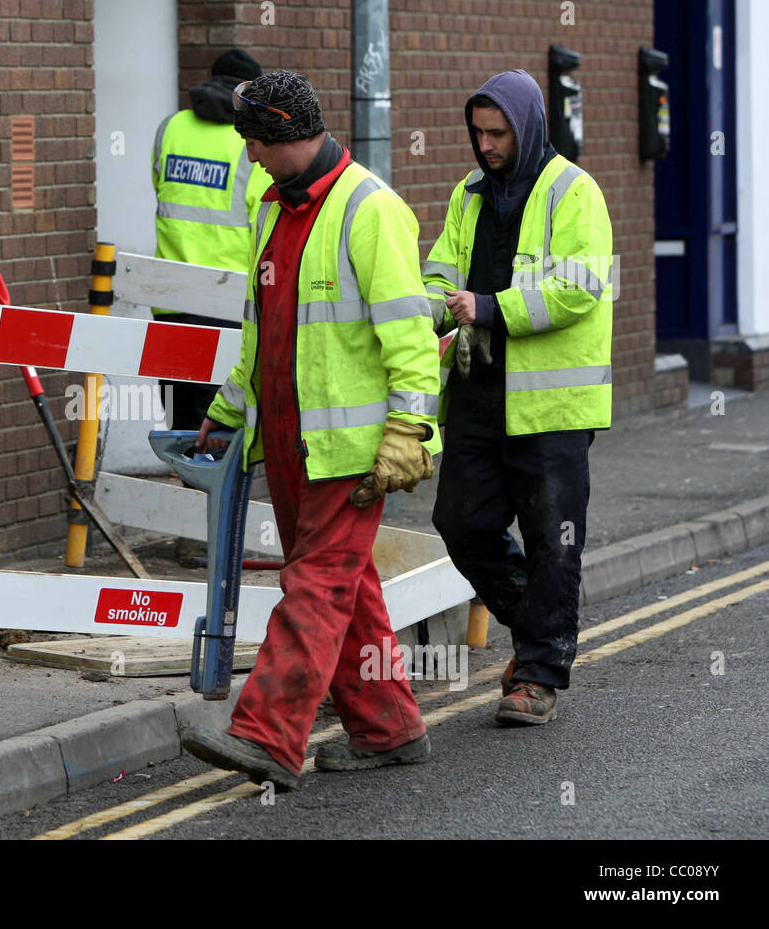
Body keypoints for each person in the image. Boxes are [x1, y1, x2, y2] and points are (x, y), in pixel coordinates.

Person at [180, 70, 441, 790]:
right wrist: (228, 412)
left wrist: (410, 431)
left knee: (317, 586)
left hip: (353, 454)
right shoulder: (272, 210)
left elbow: (411, 334)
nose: (252, 156)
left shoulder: (369, 208)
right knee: (345, 591)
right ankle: (389, 729)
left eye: (260, 143)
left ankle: (267, 735)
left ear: (293, 135)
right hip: (293, 447)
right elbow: (261, 337)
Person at [422, 69, 613, 726]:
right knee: (461, 523)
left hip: (550, 404)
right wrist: (420, 310)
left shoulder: (575, 191)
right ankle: (539, 626)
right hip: (477, 391)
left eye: (497, 132)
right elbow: (441, 273)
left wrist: (489, 307)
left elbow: (579, 287)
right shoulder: (468, 194)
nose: (486, 145)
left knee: (553, 543)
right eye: (477, 133)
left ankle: (536, 676)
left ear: (527, 126)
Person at [151, 49, 274, 433]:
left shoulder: (171, 127)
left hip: (170, 298)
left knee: (179, 415)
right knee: (219, 420)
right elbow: (266, 216)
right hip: (227, 302)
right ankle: (211, 492)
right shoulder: (250, 141)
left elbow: (159, 186)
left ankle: (186, 486)